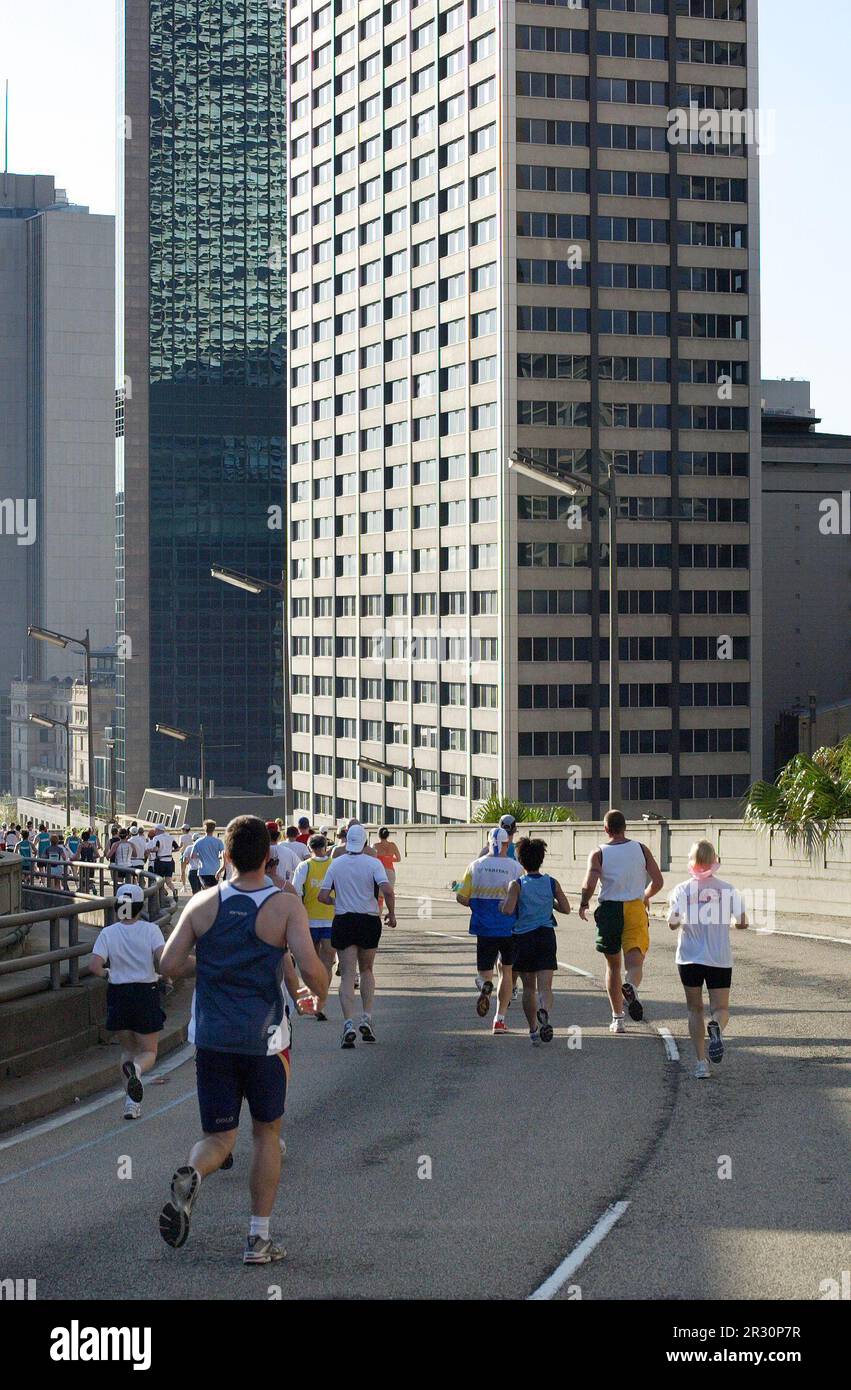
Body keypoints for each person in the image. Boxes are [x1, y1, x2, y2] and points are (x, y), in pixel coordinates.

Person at [156, 815, 325, 1263]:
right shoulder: (286, 906)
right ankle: (257, 1239)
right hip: (266, 1040)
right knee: (267, 1134)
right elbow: (309, 968)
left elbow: (169, 964)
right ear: (269, 858)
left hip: (212, 1037)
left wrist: (209, 964)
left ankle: (193, 1172)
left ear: (225, 856)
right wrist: (320, 993)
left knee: (218, 1138)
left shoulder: (202, 903)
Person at [667, 840, 748, 1079]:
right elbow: (743, 922)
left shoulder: (681, 890)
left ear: (691, 861)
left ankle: (701, 1064)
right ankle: (716, 1028)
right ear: (715, 860)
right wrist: (731, 922)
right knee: (720, 1008)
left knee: (694, 1009)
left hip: (689, 957)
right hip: (718, 957)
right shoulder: (727, 889)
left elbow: (672, 923)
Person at [578, 810, 664, 1033]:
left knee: (613, 966)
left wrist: (584, 903)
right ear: (626, 827)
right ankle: (632, 986)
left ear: (606, 829)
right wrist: (645, 895)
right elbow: (658, 881)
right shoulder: (641, 849)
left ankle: (618, 1019)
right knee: (635, 963)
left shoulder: (599, 853)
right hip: (635, 907)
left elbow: (589, 882)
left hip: (609, 909)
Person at [89, 883, 170, 1119]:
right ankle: (137, 1070)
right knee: (149, 1052)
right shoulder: (151, 930)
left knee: (128, 1050)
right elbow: (163, 960)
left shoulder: (109, 933)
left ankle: (131, 1104)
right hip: (146, 992)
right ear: (139, 906)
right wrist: (166, 976)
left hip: (118, 993)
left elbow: (94, 966)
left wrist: (109, 973)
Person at [318, 823, 395, 1048]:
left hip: (343, 919)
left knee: (347, 974)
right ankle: (367, 1018)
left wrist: (335, 900)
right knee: (367, 970)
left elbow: (322, 896)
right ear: (363, 842)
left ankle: (348, 1023)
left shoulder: (336, 863)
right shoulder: (373, 863)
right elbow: (387, 890)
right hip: (369, 918)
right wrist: (391, 912)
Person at [501, 837, 571, 1046]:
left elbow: (508, 910)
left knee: (528, 988)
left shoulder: (517, 884)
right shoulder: (551, 882)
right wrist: (550, 904)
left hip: (523, 938)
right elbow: (567, 908)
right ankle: (544, 1010)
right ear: (541, 859)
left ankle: (533, 1029)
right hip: (546, 936)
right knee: (545, 987)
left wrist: (502, 904)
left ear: (521, 861)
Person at [456, 827, 522, 1034]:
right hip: (509, 927)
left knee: (485, 972)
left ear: (488, 843)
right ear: (506, 844)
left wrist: (472, 902)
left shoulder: (475, 866)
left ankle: (484, 984)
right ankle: (499, 1020)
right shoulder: (516, 868)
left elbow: (461, 897)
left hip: (484, 928)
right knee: (507, 971)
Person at [291, 833, 335, 1020]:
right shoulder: (334, 864)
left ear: (309, 848)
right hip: (331, 919)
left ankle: (314, 995)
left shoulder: (304, 866)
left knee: (310, 962)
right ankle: (321, 999)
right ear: (325, 846)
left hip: (308, 921)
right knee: (327, 961)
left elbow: (296, 891)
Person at [148, 825, 179, 903]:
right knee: (168, 881)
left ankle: (163, 893)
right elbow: (177, 848)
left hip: (160, 861)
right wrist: (169, 852)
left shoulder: (157, 838)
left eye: (155, 830)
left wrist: (150, 850)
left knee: (159, 880)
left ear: (158, 830)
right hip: (169, 861)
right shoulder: (170, 837)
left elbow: (156, 848)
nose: (155, 832)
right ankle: (174, 890)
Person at [192, 820, 225, 887]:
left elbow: (192, 856)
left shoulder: (198, 841)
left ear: (204, 828)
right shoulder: (218, 841)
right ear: (214, 829)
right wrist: (218, 857)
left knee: (207, 890)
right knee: (213, 890)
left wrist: (201, 856)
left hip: (203, 870)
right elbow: (223, 854)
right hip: (215, 870)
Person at [266, 821, 299, 888]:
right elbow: (300, 868)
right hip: (285, 891)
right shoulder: (289, 852)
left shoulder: (259, 853)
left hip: (265, 892)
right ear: (279, 836)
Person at [177, 824, 194, 890]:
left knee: (183, 871)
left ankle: (184, 886)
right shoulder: (192, 836)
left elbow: (180, 846)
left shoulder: (182, 836)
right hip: (191, 853)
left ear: (184, 830)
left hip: (184, 853)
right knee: (192, 869)